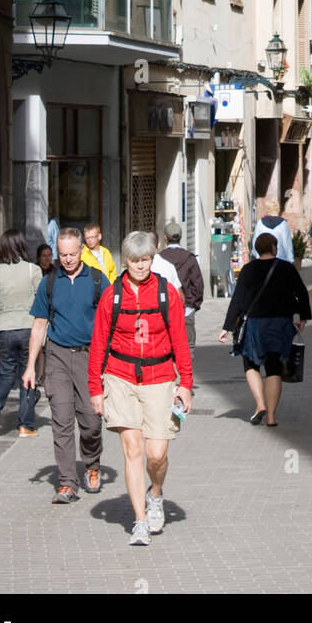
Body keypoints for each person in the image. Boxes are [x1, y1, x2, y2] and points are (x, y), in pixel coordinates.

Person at [88, 231, 193, 546]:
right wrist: (95, 387)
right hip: (120, 377)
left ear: (152, 259)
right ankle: (140, 521)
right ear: (126, 260)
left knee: (156, 453)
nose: (140, 266)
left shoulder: (166, 294)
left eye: (146, 260)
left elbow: (180, 341)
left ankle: (156, 493)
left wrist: (185, 383)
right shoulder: (112, 296)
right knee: (132, 448)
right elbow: (98, 345)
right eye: (135, 260)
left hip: (160, 379)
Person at [22, 227, 110, 503]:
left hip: (90, 357)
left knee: (91, 422)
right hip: (57, 356)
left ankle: (92, 464)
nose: (68, 259)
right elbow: (39, 324)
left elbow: (111, 323)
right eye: (63, 254)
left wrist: (111, 364)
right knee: (61, 421)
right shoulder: (49, 282)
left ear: (82, 250)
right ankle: (67, 483)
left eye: (72, 254)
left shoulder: (98, 280)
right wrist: (30, 366)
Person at [218, 232, 311, 427]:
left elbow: (238, 300)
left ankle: (260, 405)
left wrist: (227, 327)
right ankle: (271, 418)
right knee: (274, 370)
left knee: (250, 366)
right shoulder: (286, 268)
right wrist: (302, 317)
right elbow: (301, 292)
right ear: (274, 247)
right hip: (280, 325)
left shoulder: (248, 269)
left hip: (254, 326)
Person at [0, 229, 43, 438]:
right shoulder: (33, 270)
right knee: (28, 374)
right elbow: (41, 303)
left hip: (2, 329)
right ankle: (26, 425)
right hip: (27, 329)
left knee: (6, 374)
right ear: (21, 245)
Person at [160, 220, 204, 353]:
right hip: (186, 310)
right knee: (187, 347)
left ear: (165, 238)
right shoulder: (189, 258)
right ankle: (185, 373)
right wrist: (193, 305)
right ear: (181, 237)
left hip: (164, 310)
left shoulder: (159, 258)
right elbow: (198, 285)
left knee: (166, 347)